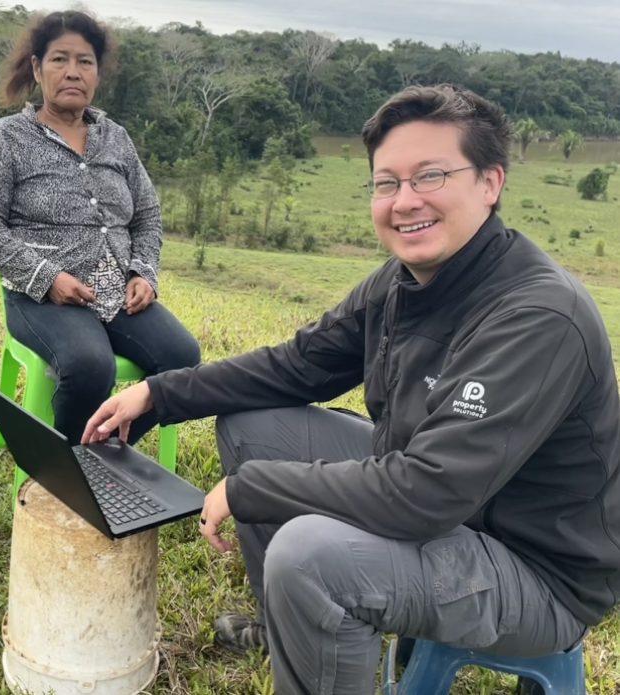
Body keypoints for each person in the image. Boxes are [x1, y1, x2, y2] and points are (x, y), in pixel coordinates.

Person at [83, 85, 620, 694]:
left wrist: (250, 487)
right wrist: (159, 393)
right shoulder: (402, 280)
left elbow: (427, 493)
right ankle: (287, 623)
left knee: (309, 554)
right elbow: (295, 365)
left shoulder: (537, 315)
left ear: (491, 183)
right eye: (387, 183)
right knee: (253, 426)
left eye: (431, 176)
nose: (405, 201)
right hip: (450, 500)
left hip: (534, 568)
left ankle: (316, 605)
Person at [0, 10, 200, 445]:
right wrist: (47, 277)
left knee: (183, 360)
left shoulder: (116, 138)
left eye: (85, 61)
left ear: (97, 72)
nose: (72, 72)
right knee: (92, 365)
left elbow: (147, 216)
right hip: (40, 294)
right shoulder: (8, 138)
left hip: (119, 293)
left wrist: (143, 272)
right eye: (59, 60)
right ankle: (68, 470)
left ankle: (104, 452)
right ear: (37, 68)